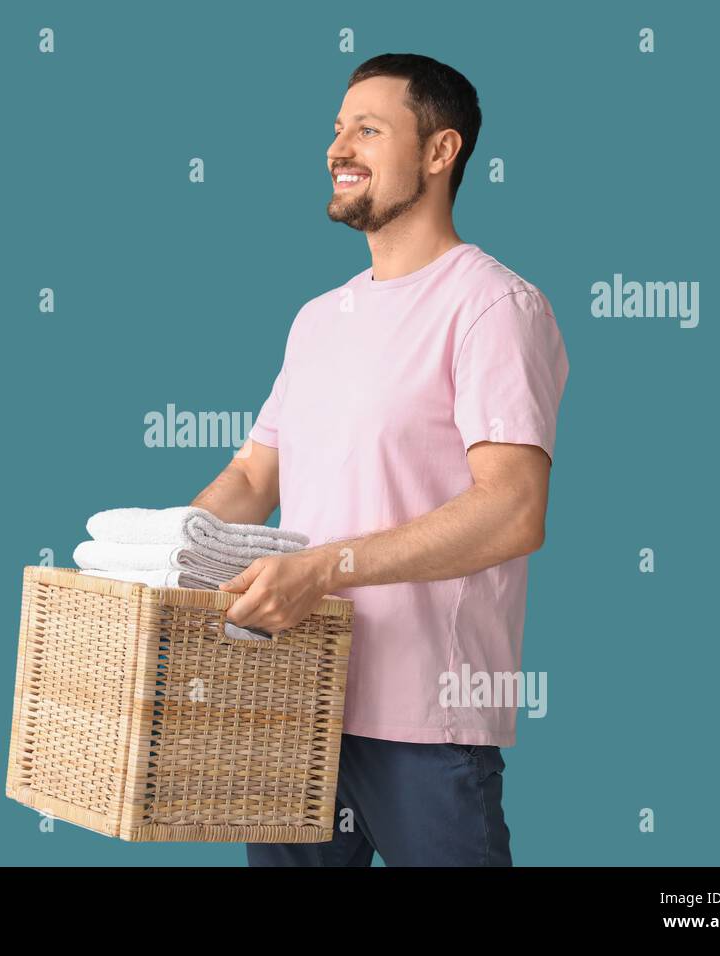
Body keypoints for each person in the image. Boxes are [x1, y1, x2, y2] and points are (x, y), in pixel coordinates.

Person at [190, 53, 570, 866]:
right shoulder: (318, 320)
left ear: (441, 152)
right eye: (336, 130)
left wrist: (324, 570)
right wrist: (164, 553)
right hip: (295, 698)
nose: (338, 147)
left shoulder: (493, 306)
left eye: (368, 128)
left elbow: (513, 508)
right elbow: (256, 478)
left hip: (424, 719)